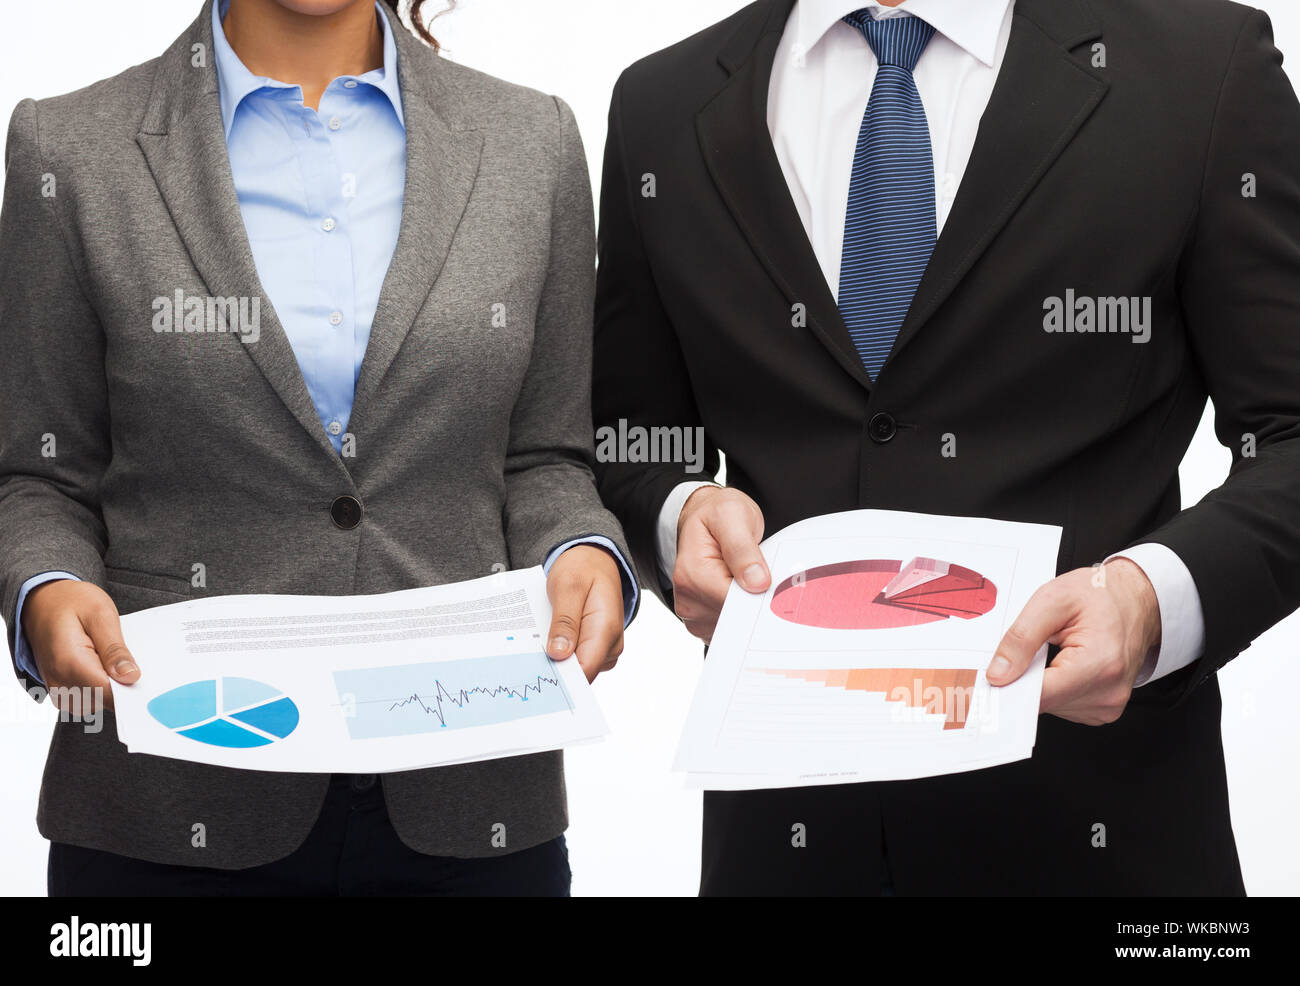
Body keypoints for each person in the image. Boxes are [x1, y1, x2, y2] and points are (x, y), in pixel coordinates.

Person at [593, 0, 1300, 894]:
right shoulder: (663, 101)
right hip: (785, 844)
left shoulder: (1203, 67)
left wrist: (1151, 602)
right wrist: (674, 514)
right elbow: (628, 439)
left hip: (1108, 843)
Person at [0, 0, 637, 896]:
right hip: (163, 810)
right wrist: (47, 587)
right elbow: (39, 470)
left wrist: (579, 550)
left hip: (471, 804)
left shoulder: (534, 140)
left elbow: (546, 457)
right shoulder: (68, 147)